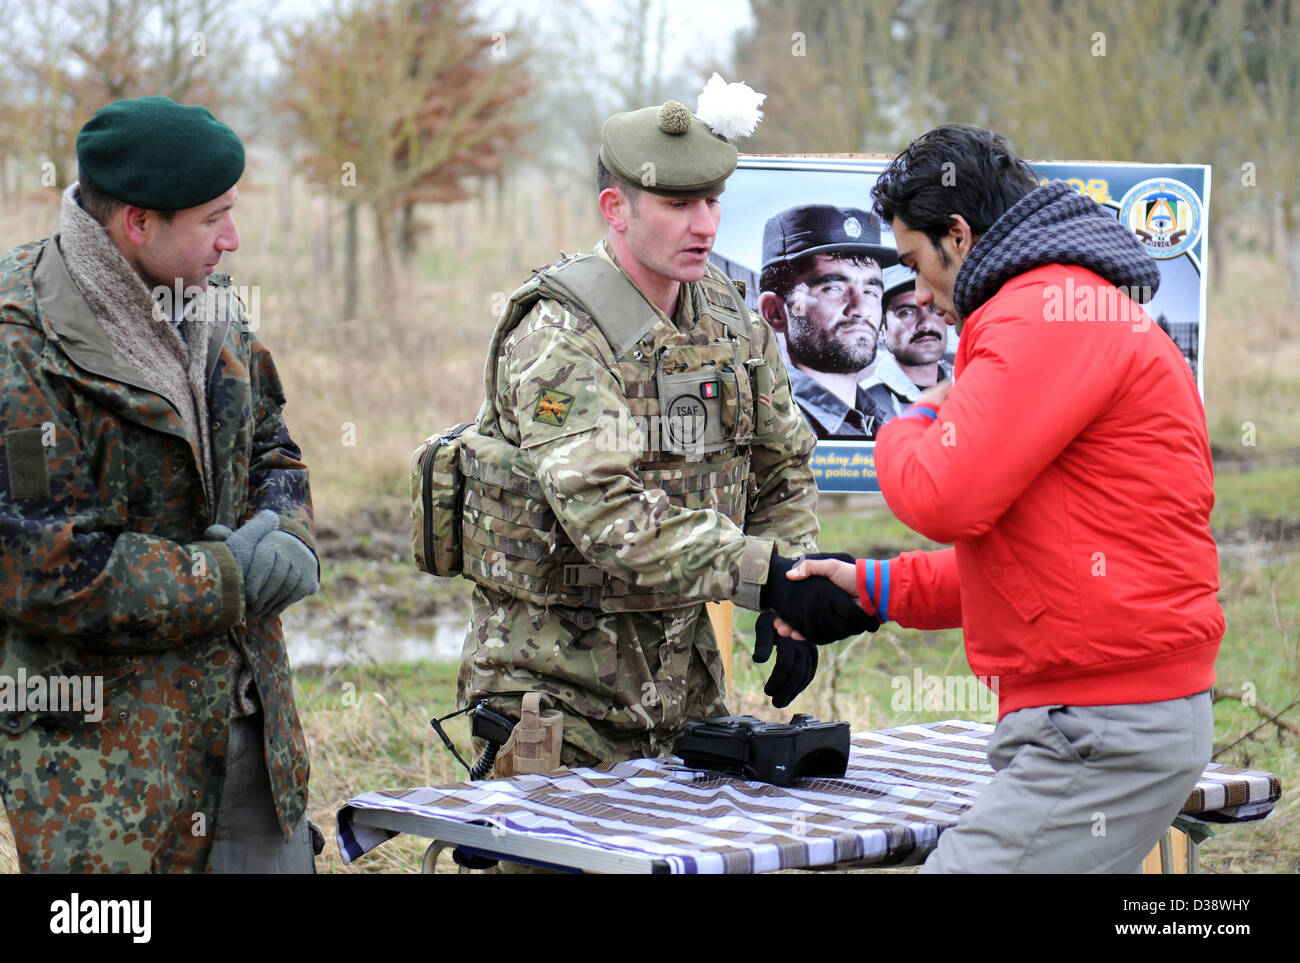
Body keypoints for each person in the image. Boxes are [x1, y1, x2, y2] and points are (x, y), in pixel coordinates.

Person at [780, 124, 1221, 873]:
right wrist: (875, 588)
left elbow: (941, 495)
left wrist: (912, 415)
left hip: (1101, 723)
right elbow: (1049, 561)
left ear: (959, 234)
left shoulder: (1039, 314)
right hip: (1113, 712)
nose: (917, 295)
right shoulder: (1071, 307)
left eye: (918, 265)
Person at [455, 92, 869, 772]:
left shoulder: (731, 320)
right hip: (559, 700)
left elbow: (781, 466)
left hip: (686, 694)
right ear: (616, 209)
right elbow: (606, 513)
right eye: (678, 205)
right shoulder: (560, 335)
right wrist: (764, 575)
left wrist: (792, 578)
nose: (703, 224)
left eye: (711, 201)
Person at [0, 96, 319, 873]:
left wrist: (291, 530)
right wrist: (226, 577)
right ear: (137, 222)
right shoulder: (21, 344)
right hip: (109, 785)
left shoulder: (213, 307)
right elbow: (44, 568)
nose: (232, 239)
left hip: (254, 744)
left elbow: (272, 447)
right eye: (213, 219)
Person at [756, 205, 898, 440]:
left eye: (871, 291)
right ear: (774, 313)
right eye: (833, 288)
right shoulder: (758, 429)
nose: (860, 309)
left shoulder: (884, 424)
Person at [859, 265, 953, 419]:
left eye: (933, 309)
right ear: (881, 329)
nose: (926, 324)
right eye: (907, 312)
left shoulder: (966, 391)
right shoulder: (865, 405)